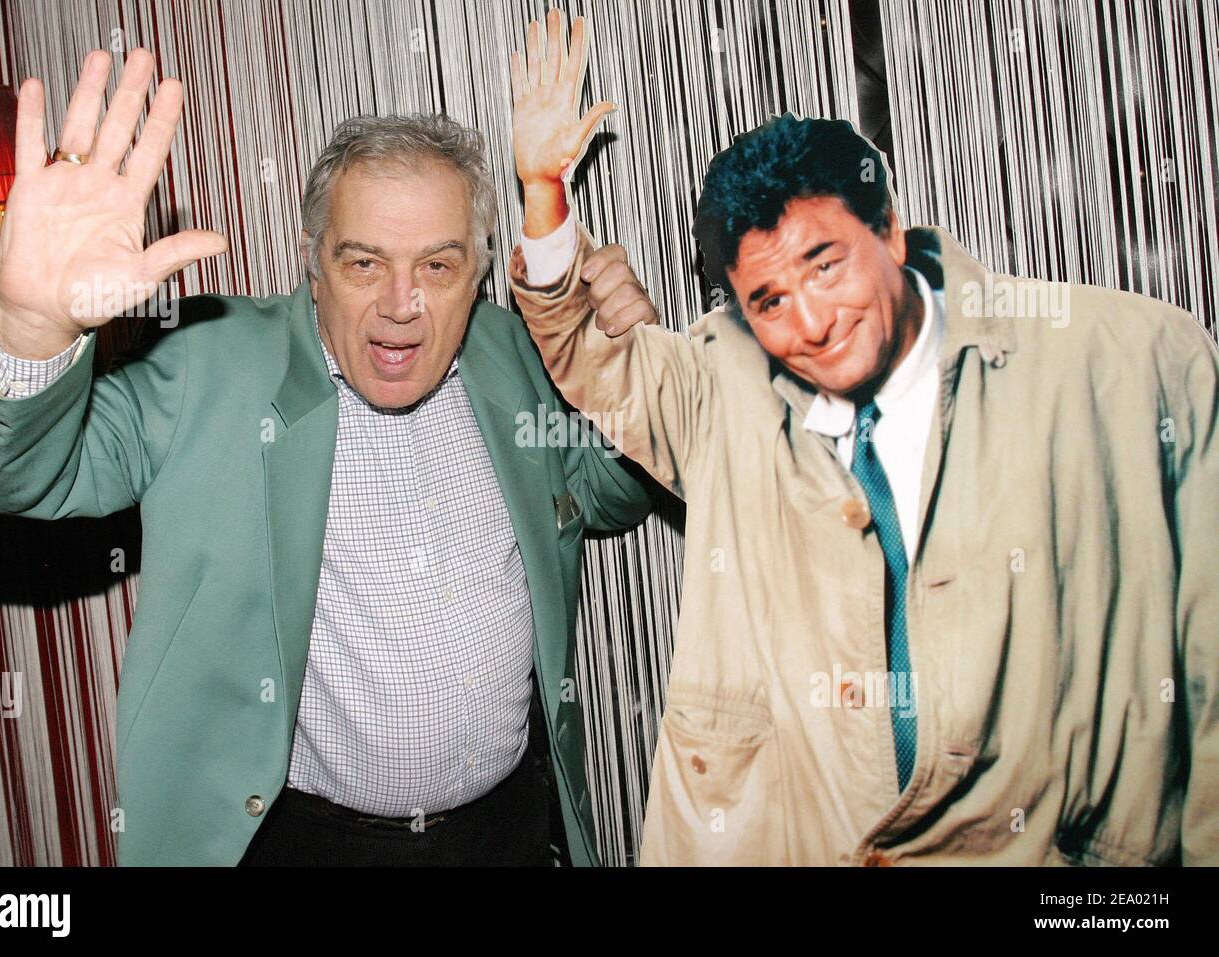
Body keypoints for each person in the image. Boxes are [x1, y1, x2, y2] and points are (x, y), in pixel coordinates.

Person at [507, 11, 1219, 865]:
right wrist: (544, 199)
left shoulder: (1126, 364)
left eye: (825, 264)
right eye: (767, 299)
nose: (810, 321)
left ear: (887, 230)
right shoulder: (722, 382)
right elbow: (595, 357)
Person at [0, 47, 660, 866]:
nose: (401, 305)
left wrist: (626, 376)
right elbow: (6, 475)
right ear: (314, 266)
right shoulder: (209, 364)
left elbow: (602, 495)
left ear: (479, 270)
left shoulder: (509, 350)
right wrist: (32, 331)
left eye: (438, 264)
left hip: (513, 831)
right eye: (363, 262)